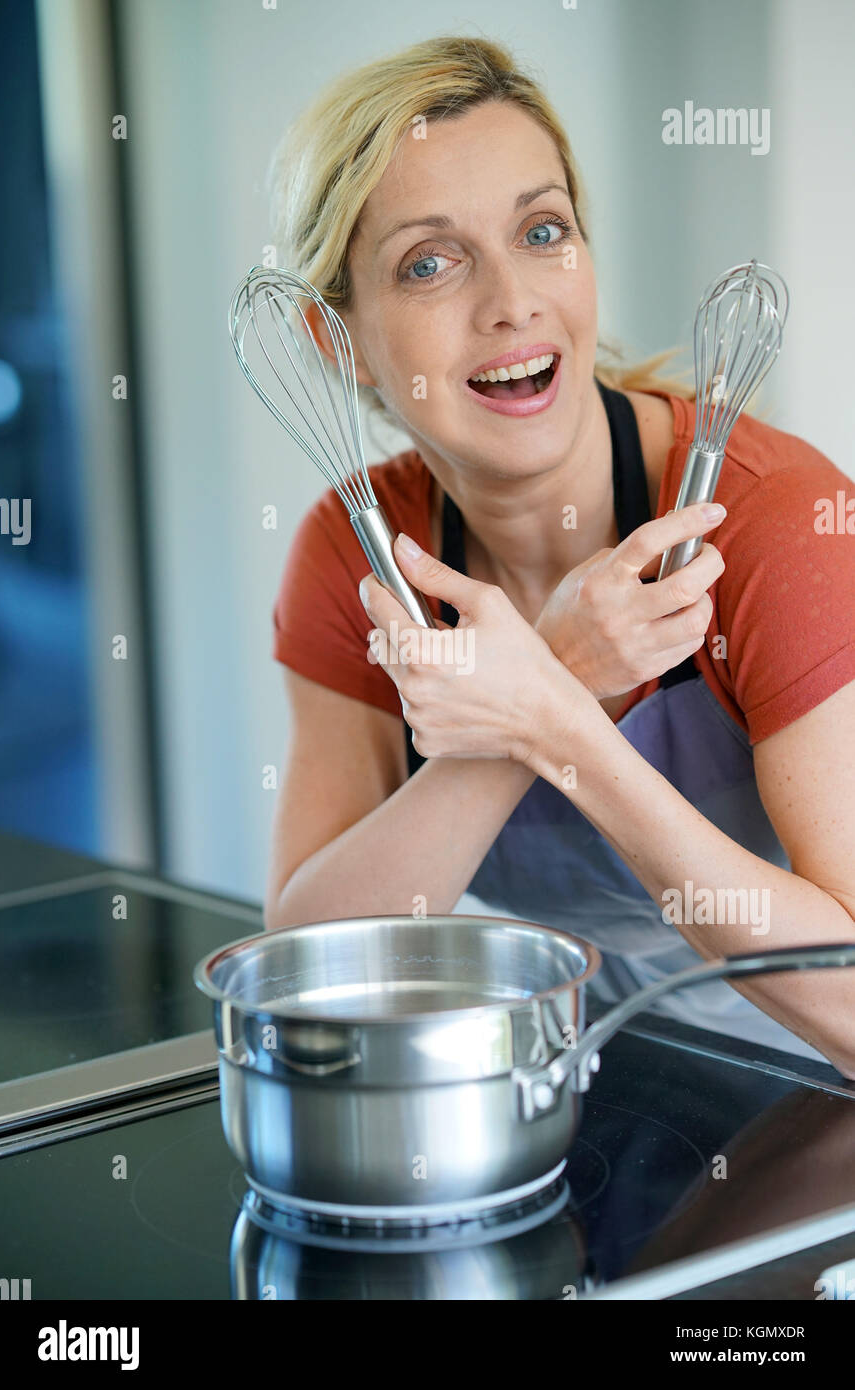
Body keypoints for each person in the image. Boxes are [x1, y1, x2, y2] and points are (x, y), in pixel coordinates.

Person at [265, 35, 855, 1073]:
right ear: (338, 342)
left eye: (542, 231)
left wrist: (549, 719)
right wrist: (555, 679)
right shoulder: (358, 554)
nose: (512, 302)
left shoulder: (774, 526)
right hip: (581, 1087)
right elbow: (313, 965)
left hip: (810, 1092)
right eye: (430, 262)